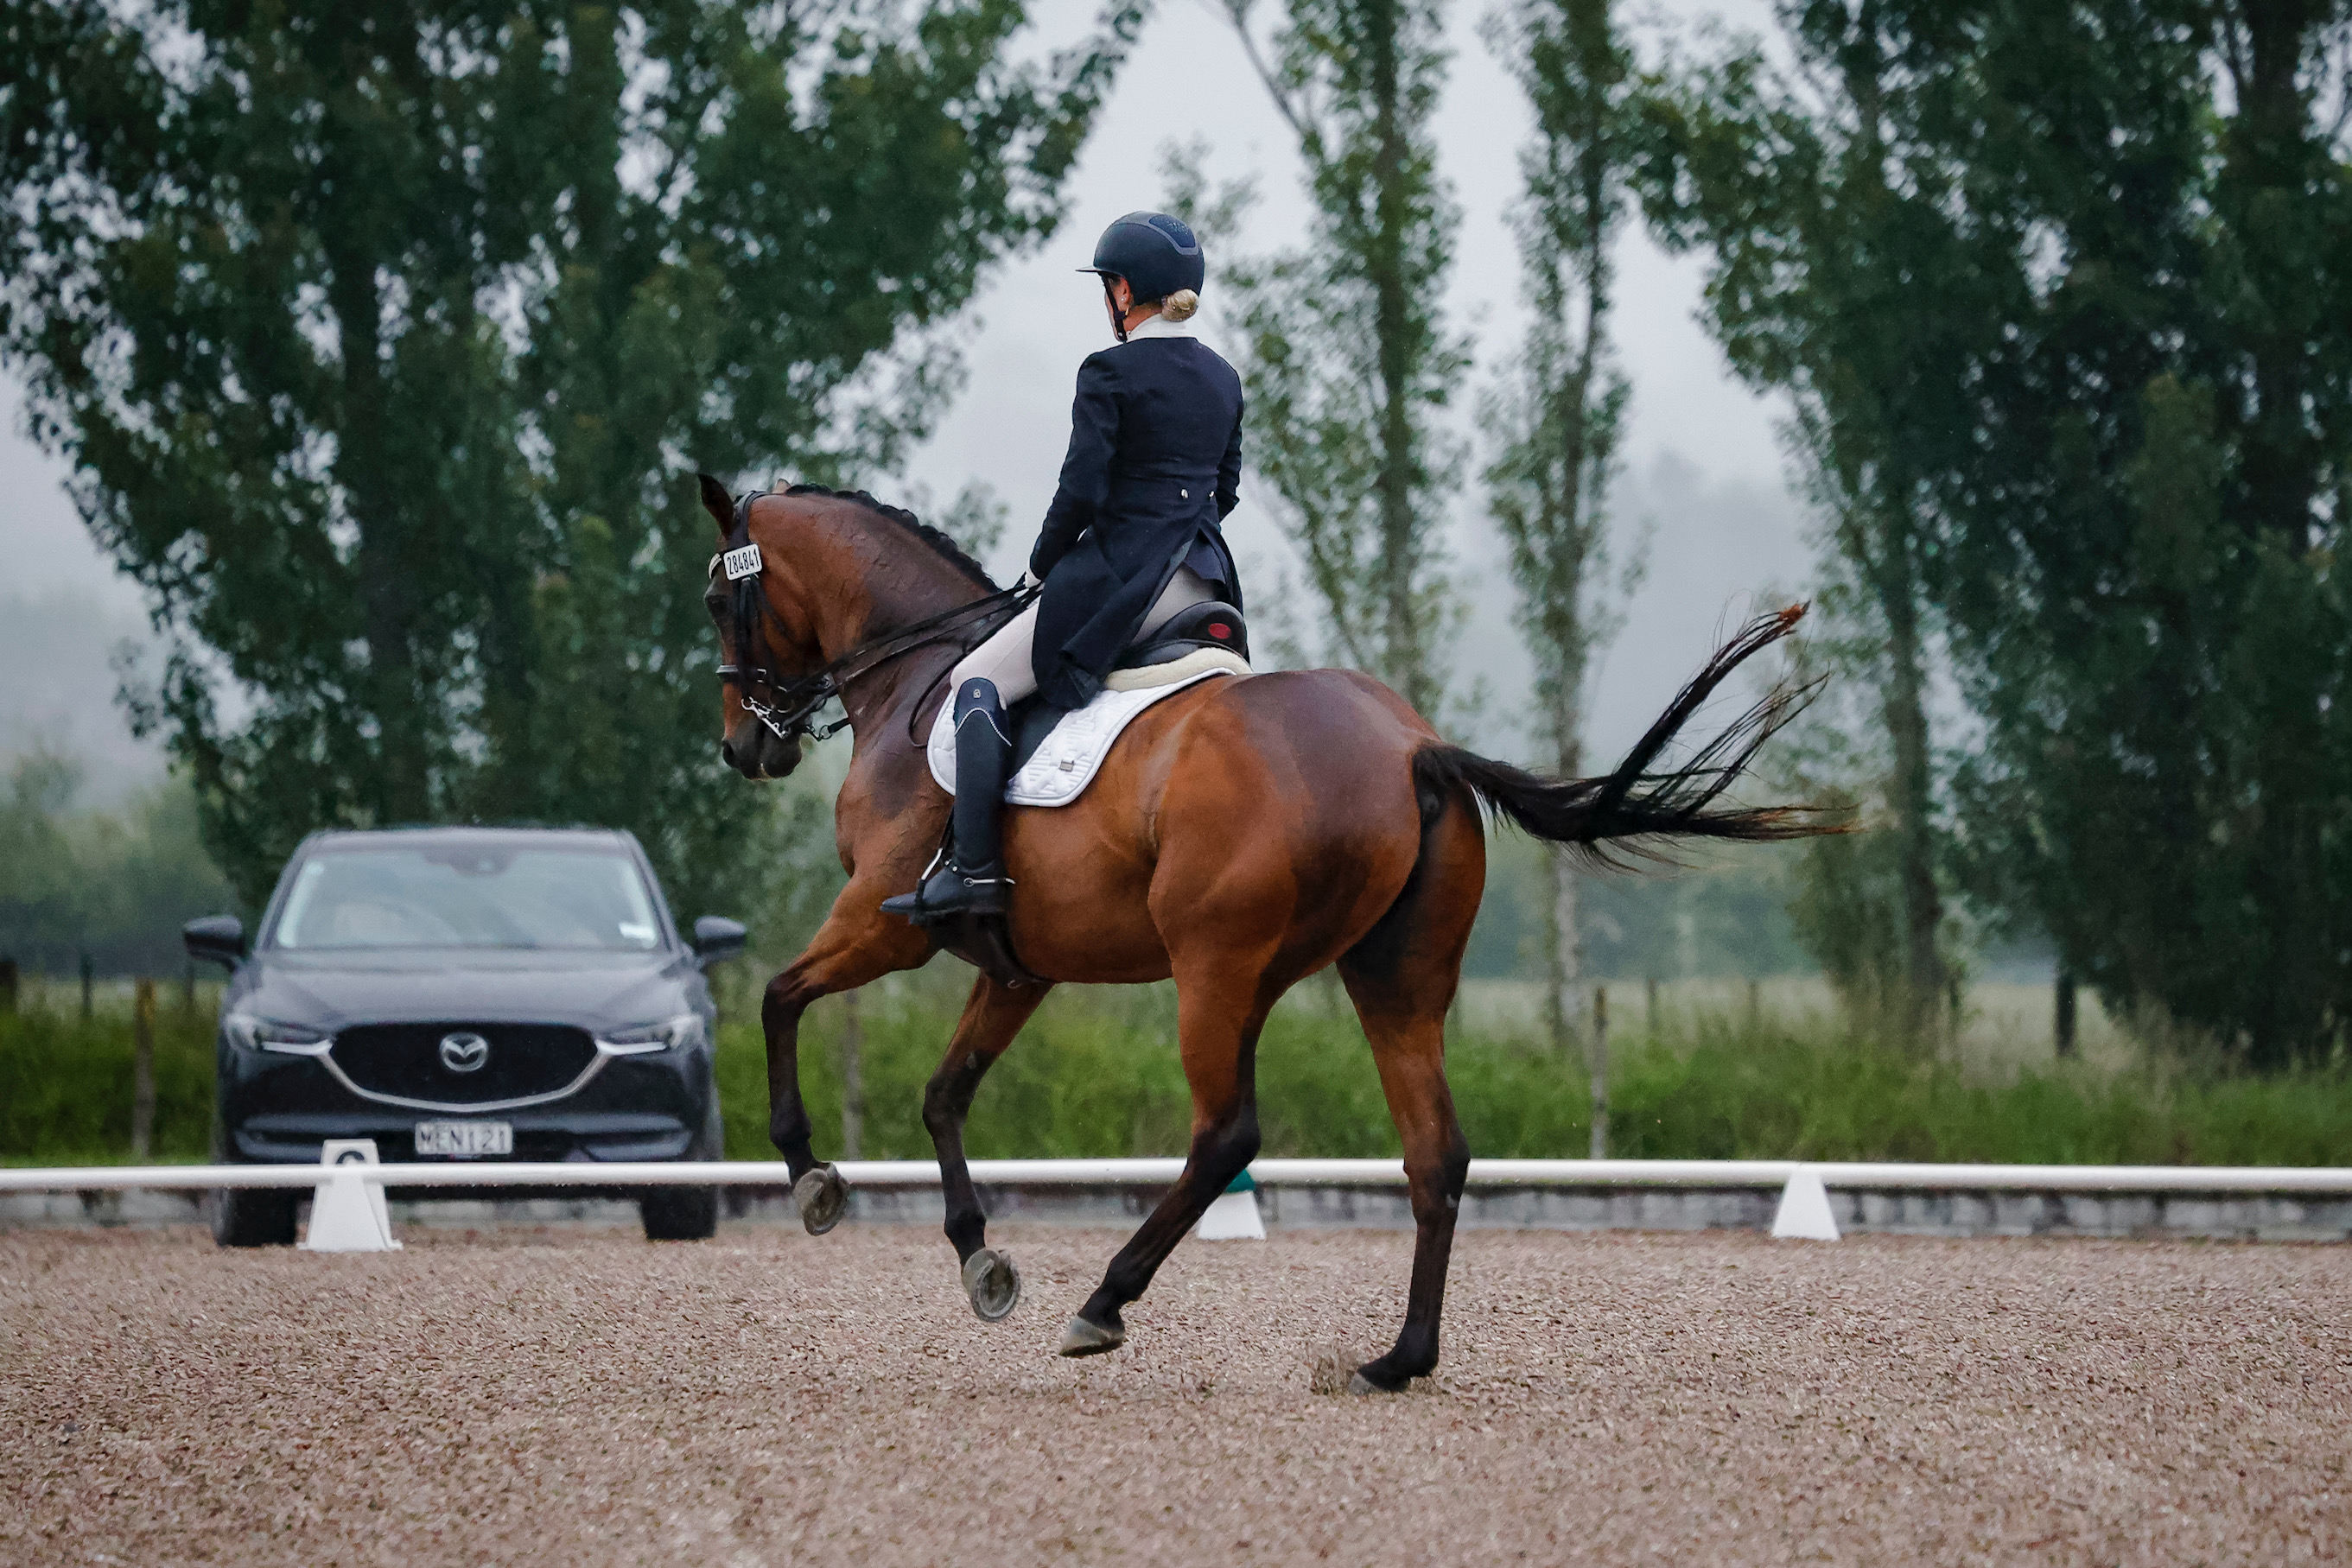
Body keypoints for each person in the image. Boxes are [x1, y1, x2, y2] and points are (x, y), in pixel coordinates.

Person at [882, 211, 1246, 926]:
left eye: (1109, 286)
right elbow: (1224, 490)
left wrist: (1044, 563)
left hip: (1127, 584)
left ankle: (974, 870)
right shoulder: (1223, 377)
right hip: (1206, 582)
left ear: (1123, 291)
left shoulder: (1108, 371)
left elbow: (1081, 489)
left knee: (976, 680)